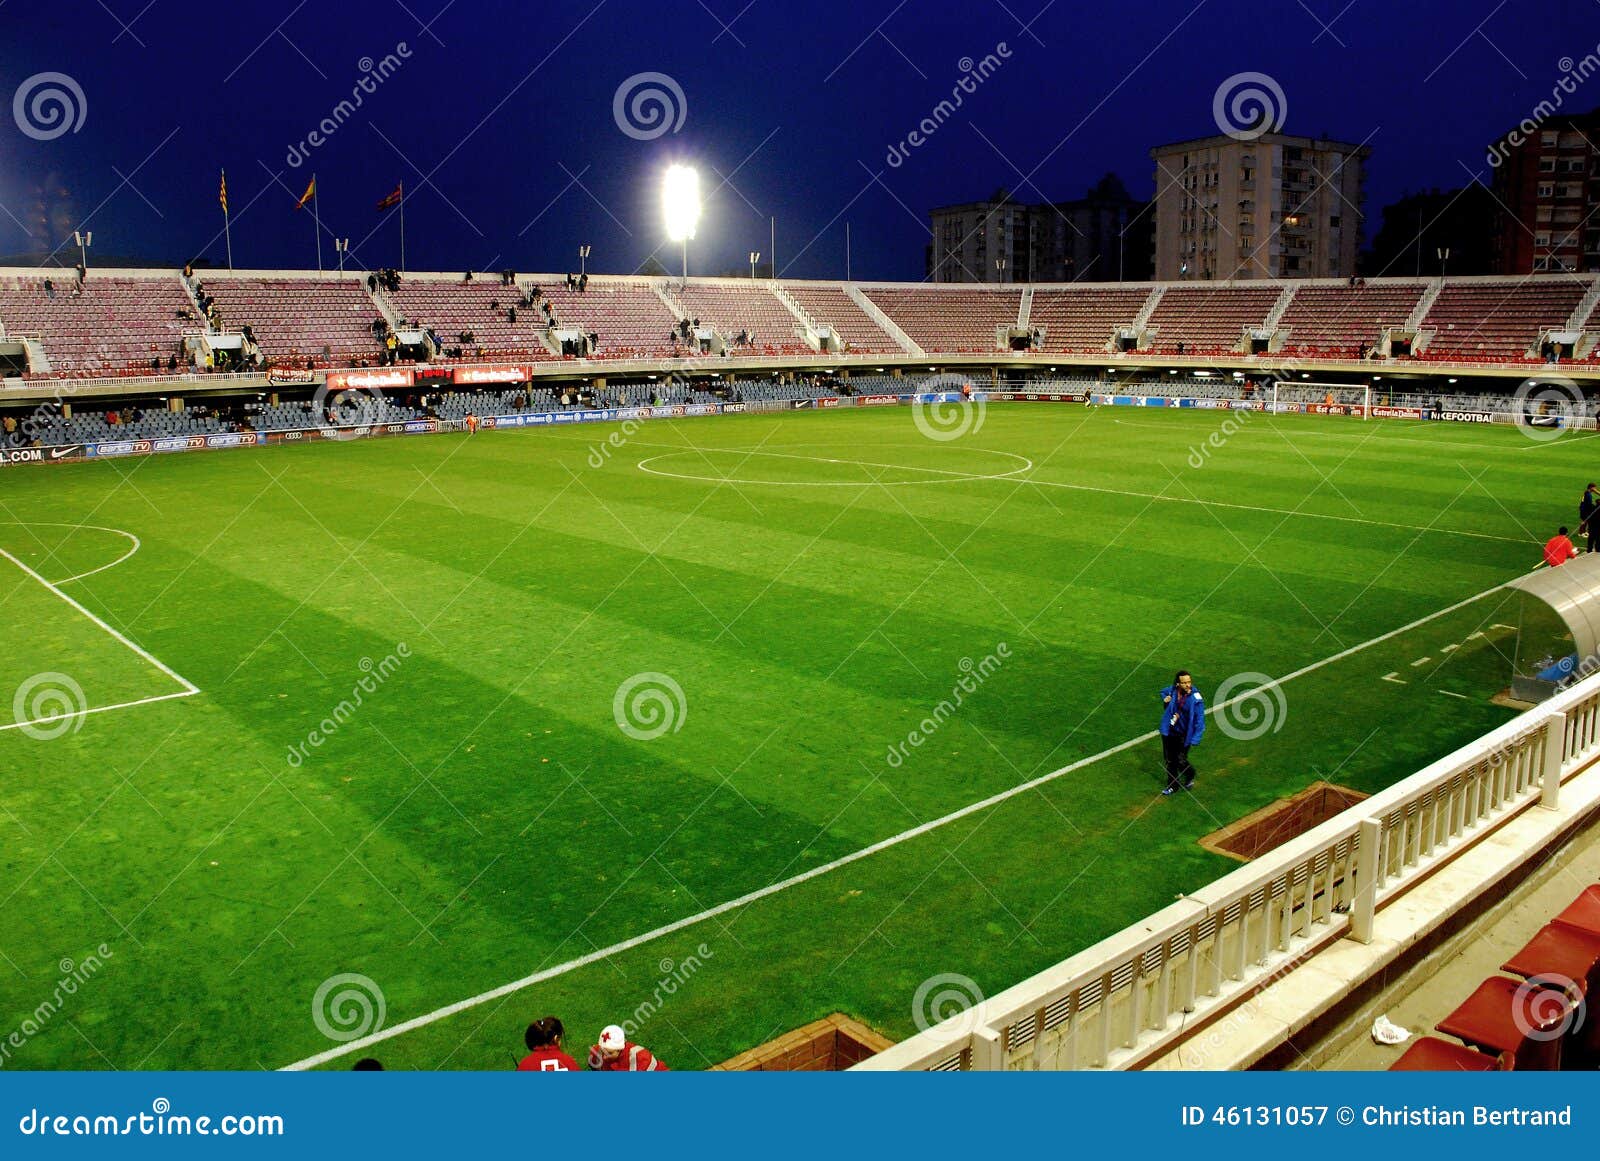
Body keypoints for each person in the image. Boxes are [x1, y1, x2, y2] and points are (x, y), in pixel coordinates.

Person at [1157, 670, 1205, 795]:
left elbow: (1200, 720)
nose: (1187, 685)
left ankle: (1190, 774)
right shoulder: (1173, 690)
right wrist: (1165, 699)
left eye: (1189, 682)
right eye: (1184, 683)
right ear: (1178, 684)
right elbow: (1162, 691)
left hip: (1184, 734)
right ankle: (1173, 786)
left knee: (1180, 760)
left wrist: (1196, 738)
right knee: (1169, 760)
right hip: (1169, 732)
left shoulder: (1195, 698)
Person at [587, 1024, 667, 1071]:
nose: (604, 1057)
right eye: (602, 1051)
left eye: (609, 1053)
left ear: (620, 1049)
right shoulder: (597, 1051)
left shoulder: (640, 1058)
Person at [1580, 484, 1599, 553]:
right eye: (1594, 488)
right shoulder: (1588, 495)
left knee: (1585, 521)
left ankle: (1583, 532)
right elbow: (1589, 505)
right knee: (1585, 521)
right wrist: (1595, 507)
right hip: (1585, 510)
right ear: (1591, 487)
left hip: (1584, 509)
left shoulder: (1587, 493)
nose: (1595, 489)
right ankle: (1581, 532)